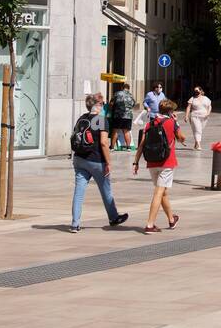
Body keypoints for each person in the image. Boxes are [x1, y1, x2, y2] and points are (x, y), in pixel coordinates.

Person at [70, 93, 129, 233]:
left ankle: (75, 224)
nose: (104, 106)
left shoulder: (82, 118)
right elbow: (103, 142)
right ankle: (114, 217)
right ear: (97, 105)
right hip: (96, 160)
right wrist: (108, 162)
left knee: (79, 192)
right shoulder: (100, 120)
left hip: (79, 159)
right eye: (102, 104)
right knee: (106, 190)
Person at [133, 97, 184, 233]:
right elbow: (182, 138)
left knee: (163, 193)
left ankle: (171, 219)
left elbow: (142, 144)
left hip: (152, 162)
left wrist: (136, 162)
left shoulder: (150, 124)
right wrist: (176, 124)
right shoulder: (171, 122)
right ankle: (150, 224)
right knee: (158, 192)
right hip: (166, 162)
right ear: (170, 111)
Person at [185, 86, 212, 150]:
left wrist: (208, 113)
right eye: (195, 91)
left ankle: (196, 143)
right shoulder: (192, 98)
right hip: (195, 116)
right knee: (198, 130)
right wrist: (186, 116)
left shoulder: (206, 98)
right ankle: (199, 145)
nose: (196, 92)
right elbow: (188, 107)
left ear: (200, 91)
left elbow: (209, 106)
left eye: (197, 90)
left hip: (204, 117)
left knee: (200, 130)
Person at [110, 82, 135, 150]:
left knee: (115, 130)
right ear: (128, 89)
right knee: (126, 131)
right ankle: (128, 147)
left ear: (122, 88)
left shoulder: (117, 93)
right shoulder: (131, 95)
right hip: (128, 116)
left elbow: (111, 103)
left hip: (118, 115)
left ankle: (112, 147)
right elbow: (133, 105)